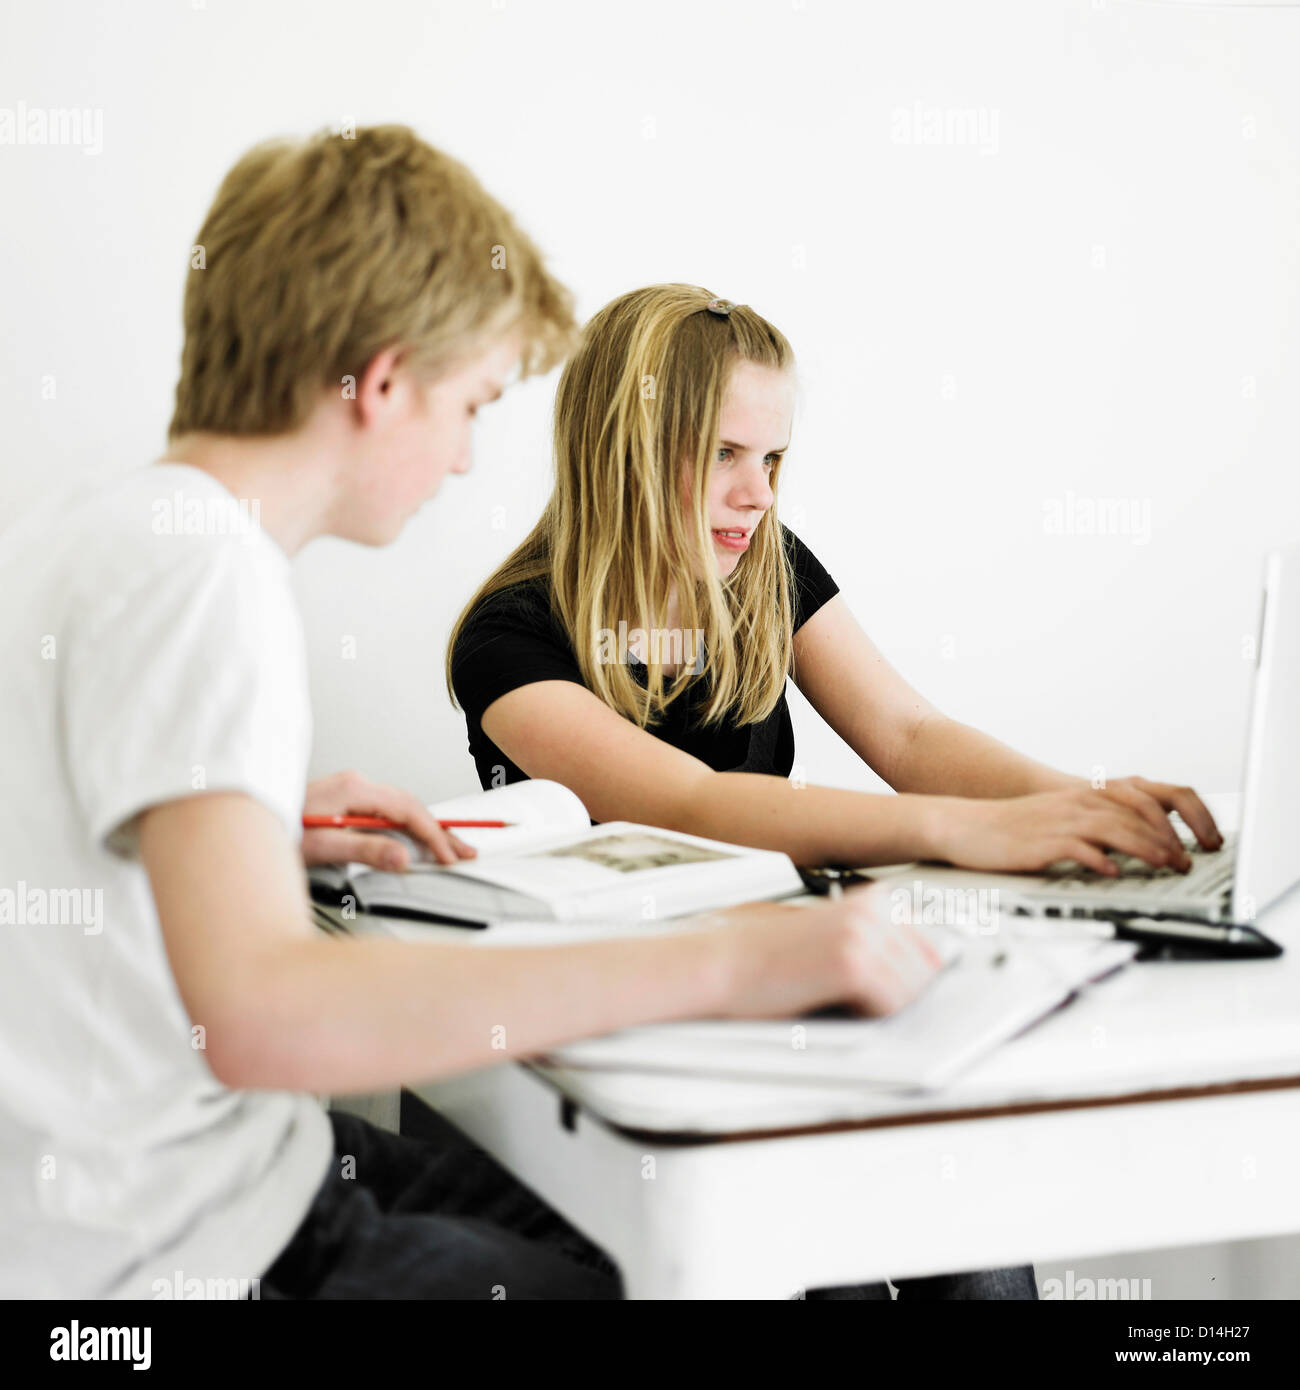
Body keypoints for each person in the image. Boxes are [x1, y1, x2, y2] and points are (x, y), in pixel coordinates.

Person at [0, 127, 946, 1302]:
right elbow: (264, 1018)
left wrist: (250, 822)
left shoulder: (94, 533)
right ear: (385, 383)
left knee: (710, 1221)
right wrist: (733, 959)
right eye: (472, 404)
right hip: (176, 1246)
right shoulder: (208, 575)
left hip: (217, 1177)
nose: (461, 460)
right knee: (719, 1259)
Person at [448, 283, 1223, 881]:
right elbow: (686, 806)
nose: (759, 495)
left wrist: (1078, 805)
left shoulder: (766, 565)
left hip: (775, 950)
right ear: (623, 447)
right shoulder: (508, 636)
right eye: (724, 453)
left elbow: (910, 737)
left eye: (771, 459)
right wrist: (959, 828)